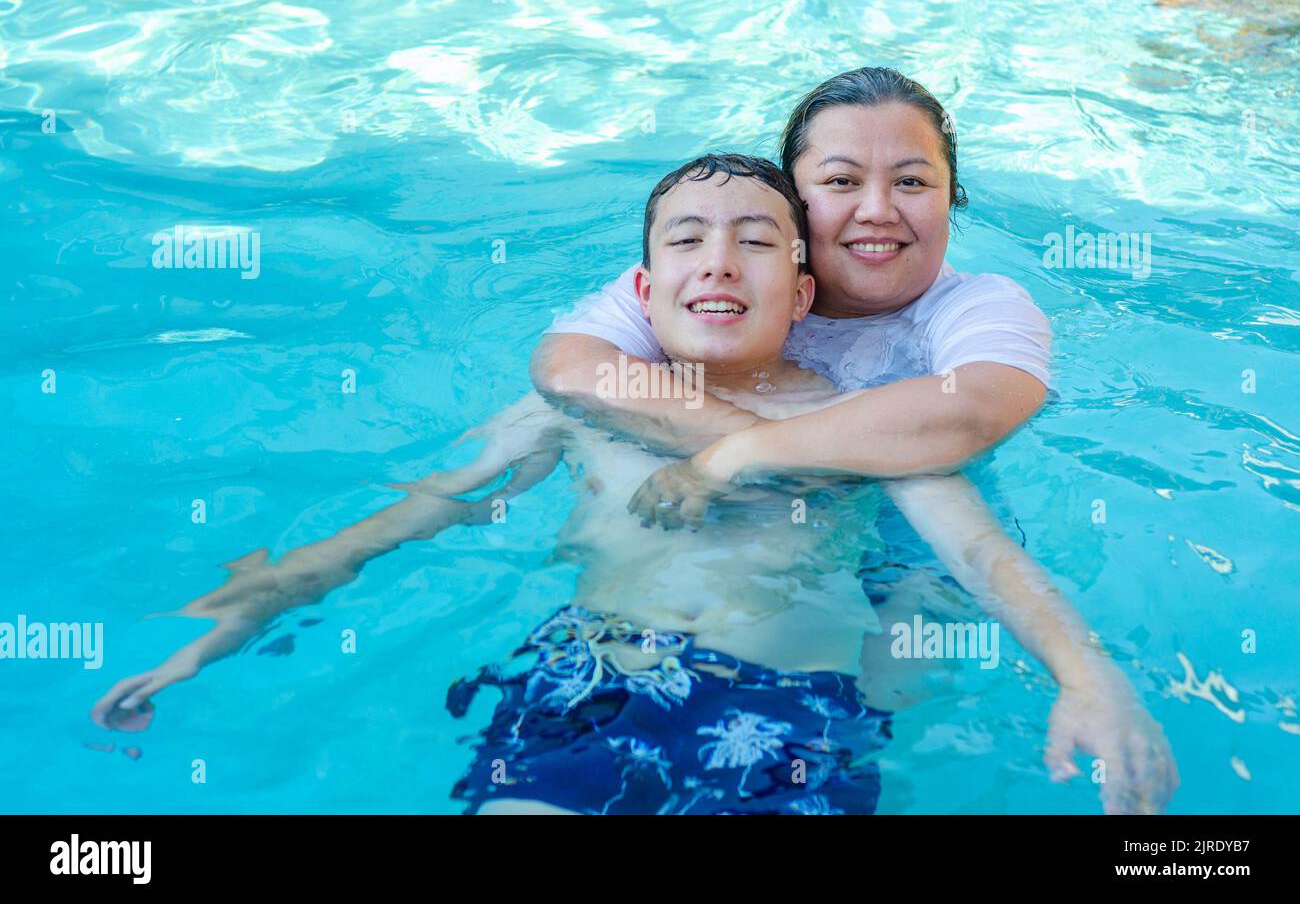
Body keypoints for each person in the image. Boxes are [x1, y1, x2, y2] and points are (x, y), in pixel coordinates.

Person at [91, 154, 1178, 815]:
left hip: (789, 715)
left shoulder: (851, 425)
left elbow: (981, 552)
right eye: (688, 242)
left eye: (755, 241)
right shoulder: (578, 402)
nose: (718, 261)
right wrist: (244, 609)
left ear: (802, 290)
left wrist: (1090, 676)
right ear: (643, 286)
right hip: (584, 685)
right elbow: (424, 510)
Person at [530, 66, 1051, 519]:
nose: (876, 210)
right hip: (727, 525)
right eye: (842, 182)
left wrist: (741, 456)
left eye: (911, 183)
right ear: (792, 199)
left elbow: (976, 409)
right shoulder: (719, 277)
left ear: (951, 199)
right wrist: (758, 443)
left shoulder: (981, 306)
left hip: (922, 542)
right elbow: (570, 369)